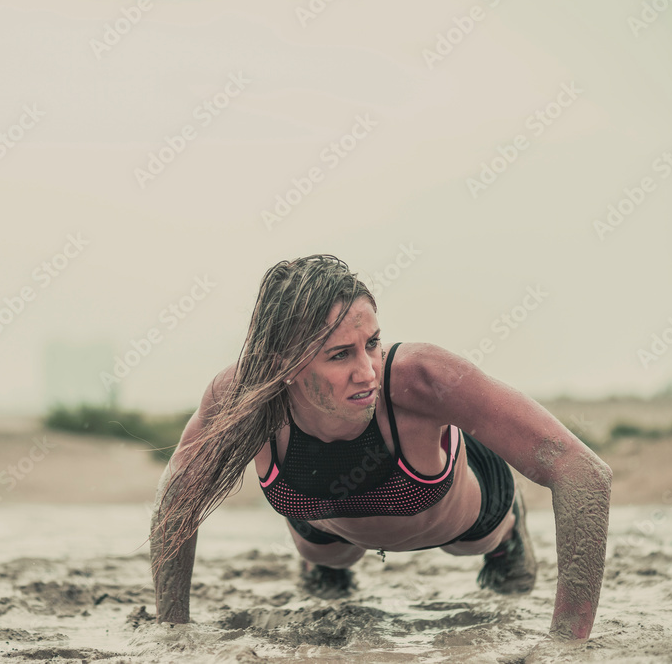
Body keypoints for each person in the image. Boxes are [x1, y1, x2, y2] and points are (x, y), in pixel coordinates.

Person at [150, 254, 612, 641]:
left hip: (462, 513)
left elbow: (582, 470)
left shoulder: (422, 378)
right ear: (283, 364)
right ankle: (328, 565)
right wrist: (172, 632)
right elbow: (176, 500)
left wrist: (566, 645)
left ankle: (509, 533)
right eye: (340, 354)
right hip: (326, 526)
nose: (368, 372)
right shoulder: (243, 398)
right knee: (325, 557)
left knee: (475, 544)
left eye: (371, 343)